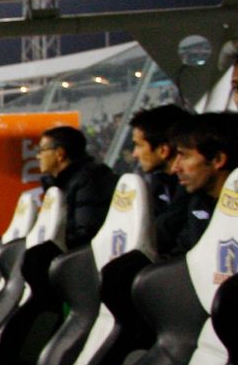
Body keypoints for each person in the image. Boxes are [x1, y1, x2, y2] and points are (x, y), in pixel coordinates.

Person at [164, 112, 238, 256]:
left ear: (217, 159)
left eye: (184, 156)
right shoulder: (198, 203)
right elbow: (182, 257)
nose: (175, 167)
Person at [36, 126, 119, 249]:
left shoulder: (90, 180)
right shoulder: (60, 184)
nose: (38, 156)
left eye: (42, 150)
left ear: (60, 153)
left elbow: (87, 232)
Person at [129, 104, 192, 255]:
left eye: (138, 145)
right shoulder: (158, 182)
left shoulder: (194, 188)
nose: (134, 154)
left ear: (163, 150)